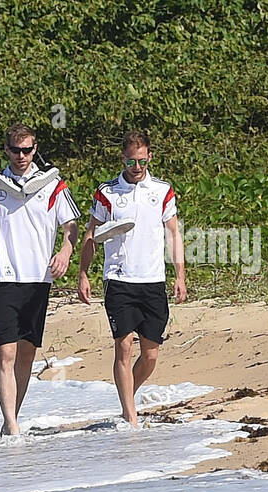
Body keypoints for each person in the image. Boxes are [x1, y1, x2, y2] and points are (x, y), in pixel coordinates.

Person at [0, 123, 81, 436]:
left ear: (35, 150)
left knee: (26, 353)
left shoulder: (53, 184)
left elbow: (71, 226)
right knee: (5, 353)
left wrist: (65, 253)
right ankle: (12, 424)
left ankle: (11, 421)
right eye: (16, 150)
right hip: (1, 278)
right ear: (6, 150)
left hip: (37, 280)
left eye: (27, 150)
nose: (21, 156)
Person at [77, 131, 187, 427]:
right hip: (119, 278)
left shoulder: (162, 190)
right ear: (122, 158)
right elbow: (91, 234)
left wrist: (180, 275)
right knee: (124, 344)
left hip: (152, 280)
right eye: (130, 161)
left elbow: (173, 234)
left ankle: (127, 398)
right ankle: (130, 415)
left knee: (150, 355)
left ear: (150, 156)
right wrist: (83, 273)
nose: (136, 167)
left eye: (141, 160)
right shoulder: (108, 191)